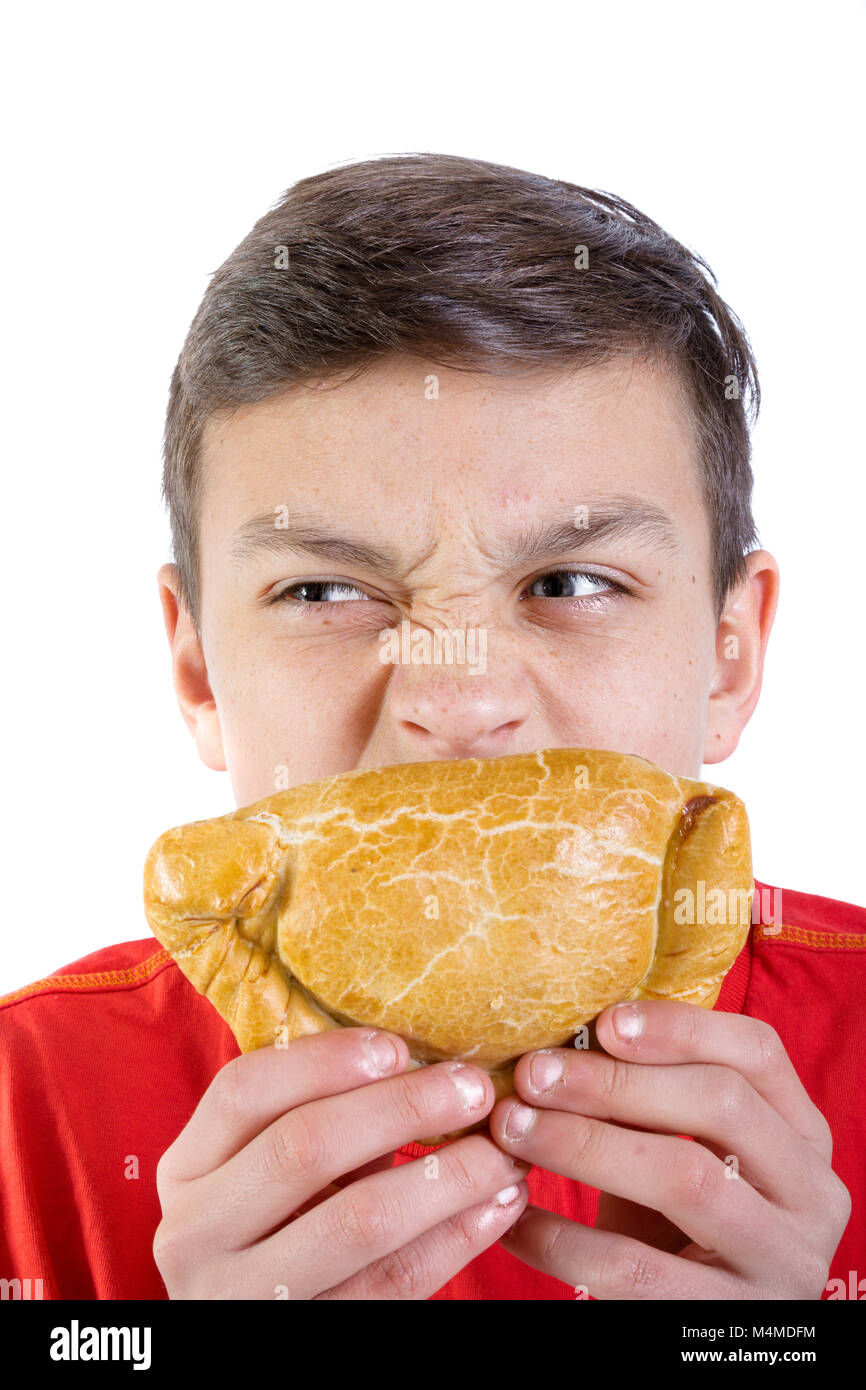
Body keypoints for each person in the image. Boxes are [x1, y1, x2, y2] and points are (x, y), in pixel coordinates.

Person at [1, 153, 862, 1302]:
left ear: (729, 656)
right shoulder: (24, 1106)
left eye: (569, 582)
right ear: (198, 668)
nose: (455, 702)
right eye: (322, 592)